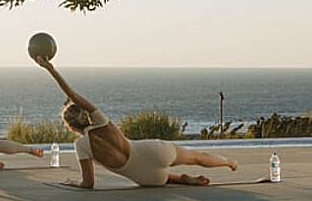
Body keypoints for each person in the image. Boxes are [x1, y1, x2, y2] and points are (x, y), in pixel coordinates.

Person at [32, 54, 238, 188]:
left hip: (148, 178)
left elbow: (88, 183)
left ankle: (182, 179)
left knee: (160, 176)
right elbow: (73, 95)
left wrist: (73, 183)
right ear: (85, 114)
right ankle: (229, 163)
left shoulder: (81, 145)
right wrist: (51, 69)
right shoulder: (101, 122)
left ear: (70, 127)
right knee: (197, 157)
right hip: (154, 152)